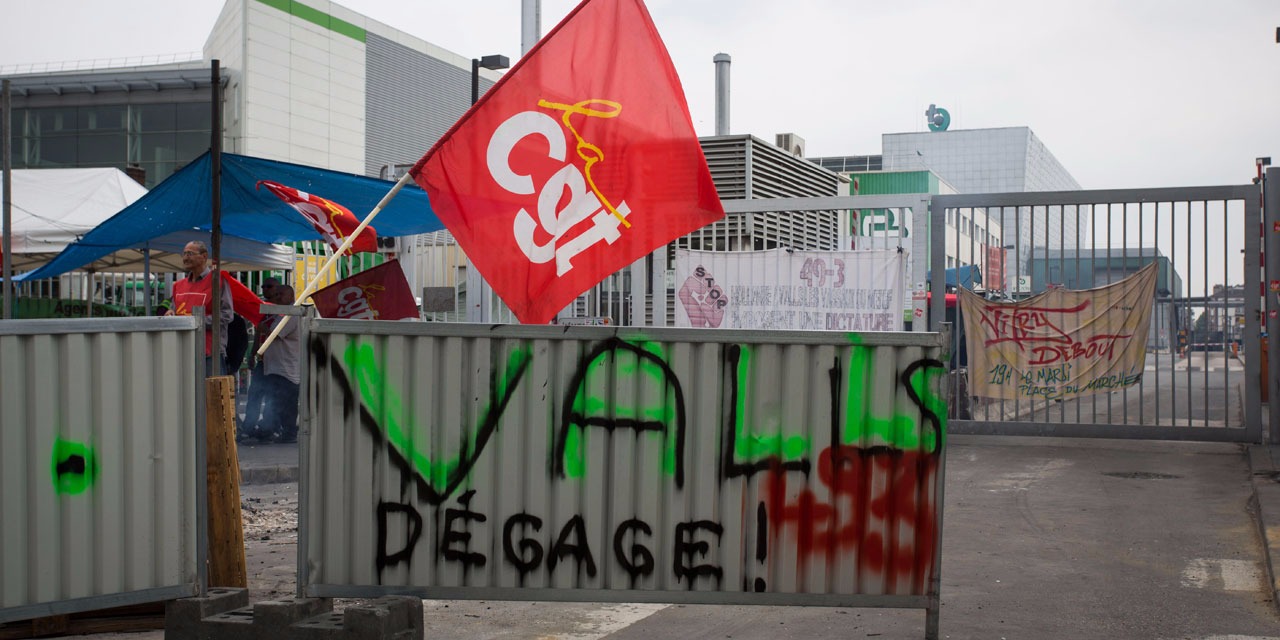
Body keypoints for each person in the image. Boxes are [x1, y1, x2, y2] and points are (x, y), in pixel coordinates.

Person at [166, 240, 234, 377]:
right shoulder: (178, 286)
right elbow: (174, 309)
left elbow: (227, 315)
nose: (185, 258)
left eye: (190, 253)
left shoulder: (218, 281)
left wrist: (196, 322)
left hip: (210, 352)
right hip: (182, 350)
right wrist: (170, 313)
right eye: (184, 254)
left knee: (211, 396)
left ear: (204, 256)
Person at [238, 278, 280, 443]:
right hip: (263, 361)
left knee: (272, 396)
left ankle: (269, 427)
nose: (265, 289)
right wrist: (252, 354)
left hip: (276, 362)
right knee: (254, 395)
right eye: (263, 286)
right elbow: (258, 335)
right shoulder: (264, 311)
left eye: (269, 286)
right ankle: (250, 427)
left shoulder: (282, 312)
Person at [257, 283, 300, 444]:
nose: (277, 298)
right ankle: (271, 428)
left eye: (281, 294)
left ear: (290, 296)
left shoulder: (291, 314)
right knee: (274, 400)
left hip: (286, 367)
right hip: (275, 366)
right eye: (276, 295)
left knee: (287, 403)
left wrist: (262, 328)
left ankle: (288, 433)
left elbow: (275, 334)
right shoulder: (278, 313)